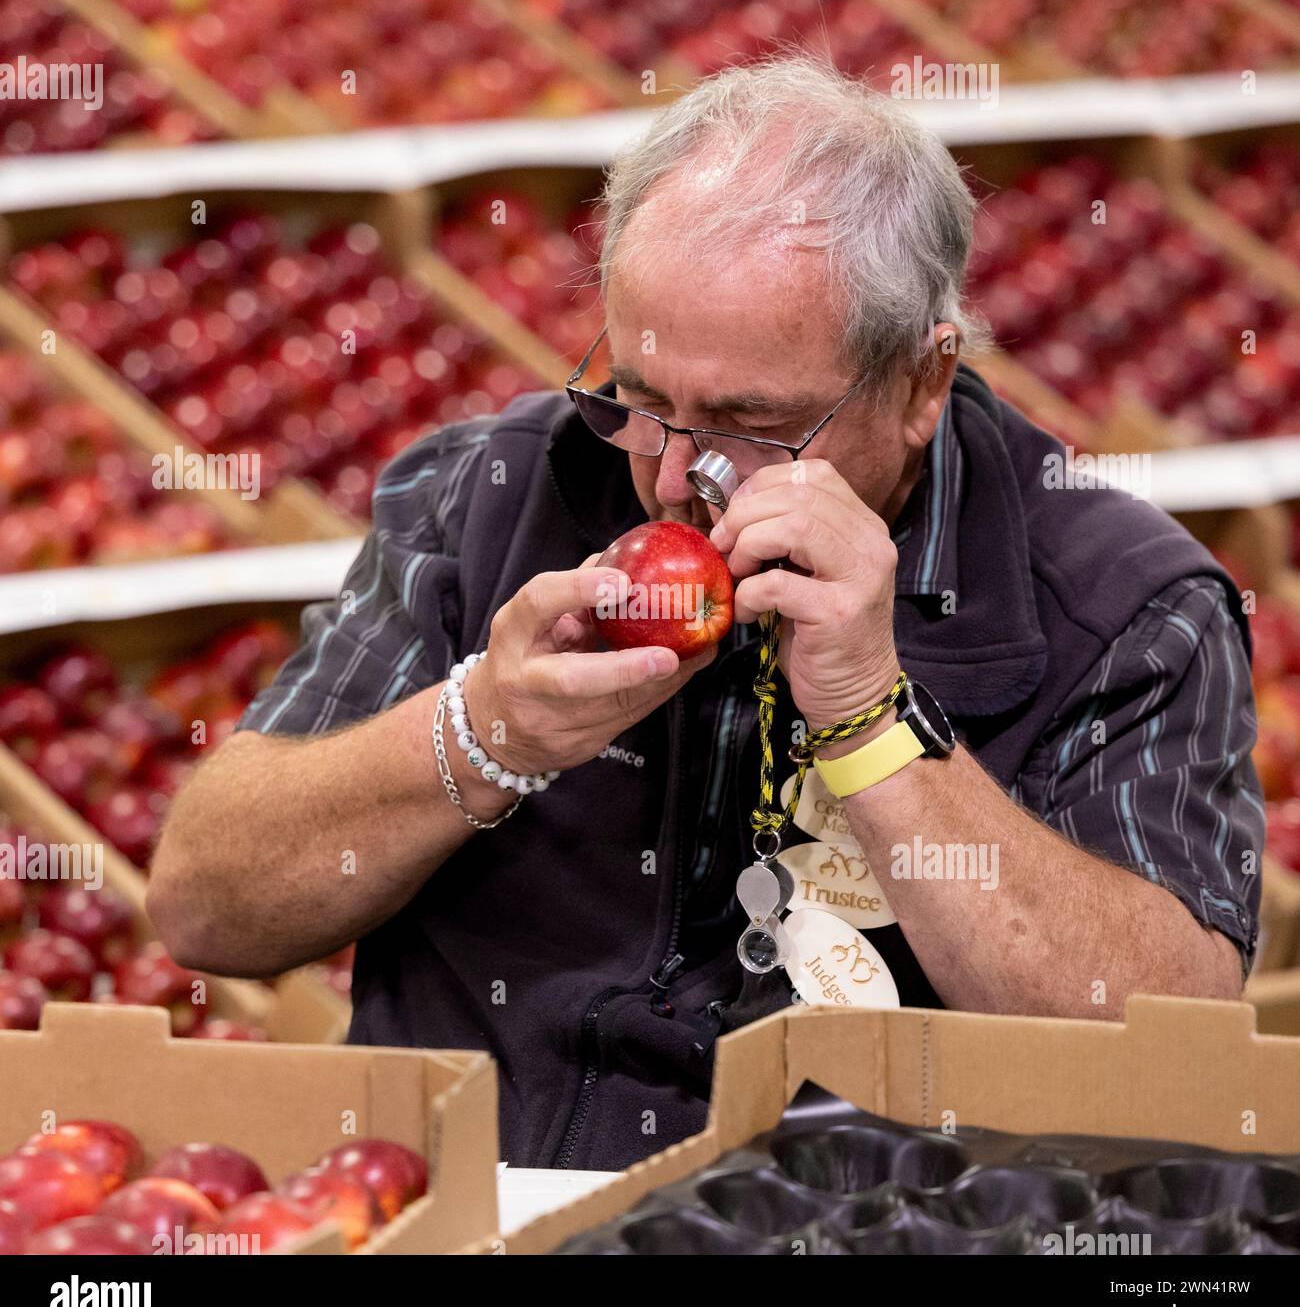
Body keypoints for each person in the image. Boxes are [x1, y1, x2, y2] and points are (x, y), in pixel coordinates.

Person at [149, 56, 1261, 1172]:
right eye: (638, 399)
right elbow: (207, 907)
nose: (676, 479)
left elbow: (1164, 1060)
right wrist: (479, 730)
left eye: (749, 424)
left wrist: (873, 725)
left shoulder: (1123, 606)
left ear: (921, 385)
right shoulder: (491, 496)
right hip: (466, 1212)